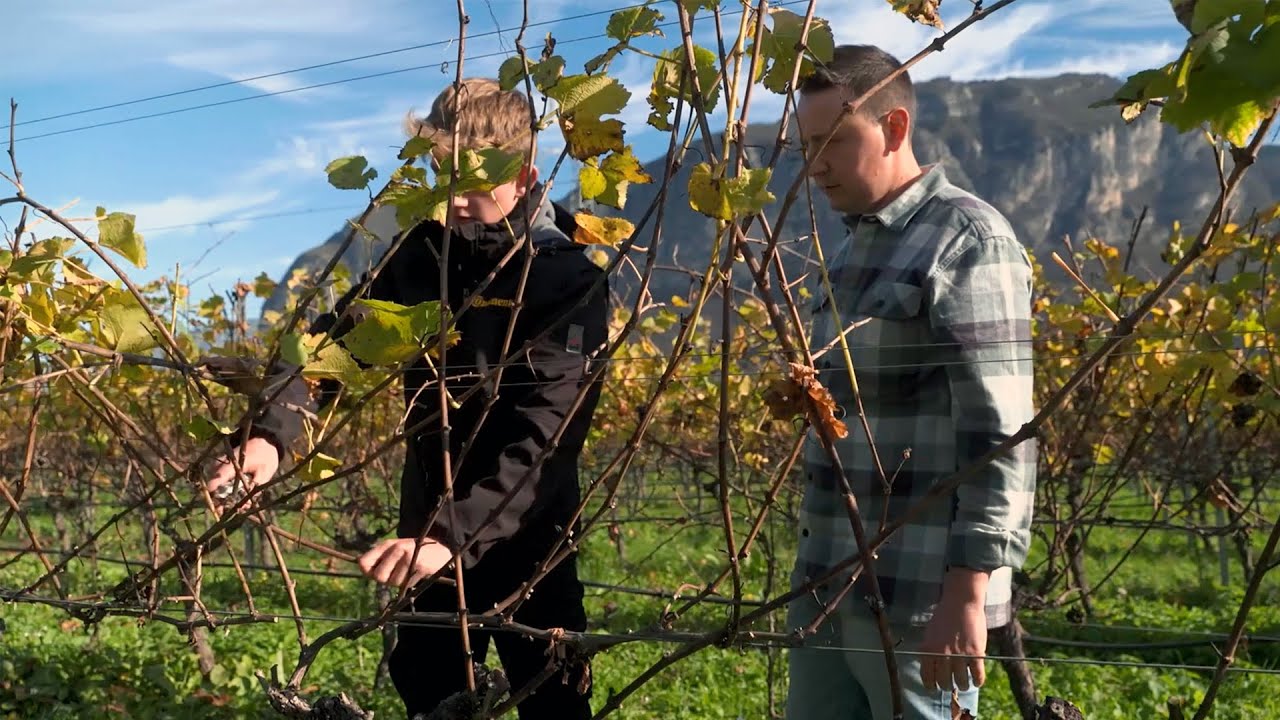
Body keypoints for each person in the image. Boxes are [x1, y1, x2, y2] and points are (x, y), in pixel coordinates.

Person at [205, 78, 607, 720]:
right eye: (443, 178)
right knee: (428, 688)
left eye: (474, 183)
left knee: (552, 698)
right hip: (422, 538)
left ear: (526, 173)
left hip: (530, 538)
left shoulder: (567, 278)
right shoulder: (416, 259)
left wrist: (451, 535)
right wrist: (268, 438)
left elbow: (546, 438)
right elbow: (327, 356)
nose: (455, 201)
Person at [786, 45, 1037, 719]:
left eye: (835, 142)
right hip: (828, 584)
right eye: (807, 145)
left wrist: (967, 589)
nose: (816, 166)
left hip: (919, 597)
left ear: (895, 129)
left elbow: (1001, 430)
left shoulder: (968, 240)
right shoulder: (845, 250)